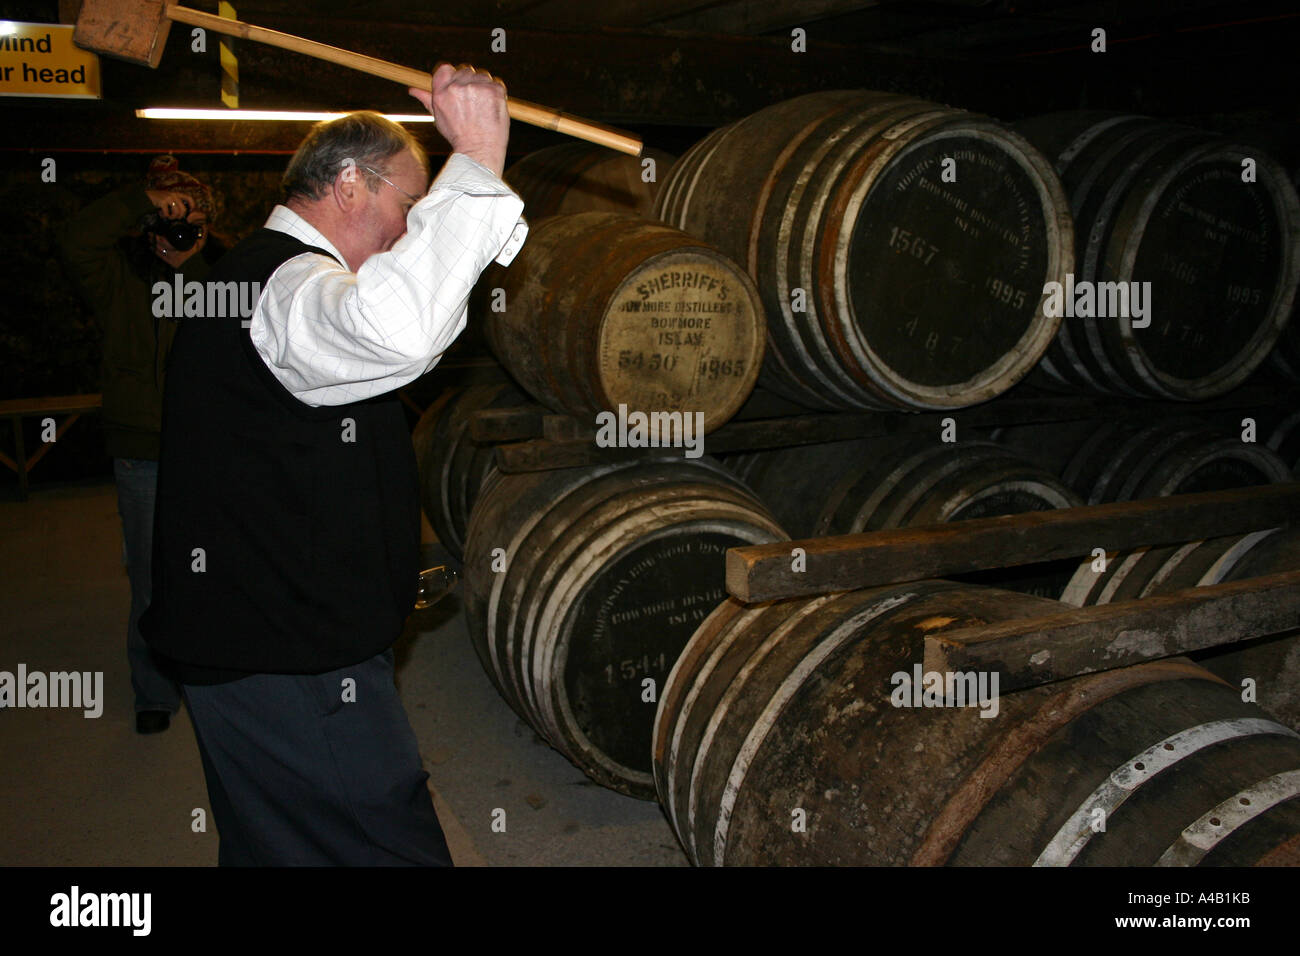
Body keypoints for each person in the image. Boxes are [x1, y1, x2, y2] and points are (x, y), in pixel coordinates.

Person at [139, 63, 525, 866]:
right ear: (349, 185)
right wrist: (479, 157)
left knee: (280, 849)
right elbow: (392, 329)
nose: (413, 229)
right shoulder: (287, 285)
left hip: (262, 646)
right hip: (288, 660)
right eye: (409, 206)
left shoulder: (267, 273)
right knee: (382, 845)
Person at [60, 155, 219, 735]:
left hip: (203, 456)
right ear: (150, 225)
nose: (182, 232)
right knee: (151, 577)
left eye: (194, 223)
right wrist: (141, 200)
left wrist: (190, 266)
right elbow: (77, 240)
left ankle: (212, 680)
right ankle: (152, 690)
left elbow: (225, 332)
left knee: (209, 571)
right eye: (172, 220)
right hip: (142, 457)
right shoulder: (117, 287)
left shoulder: (212, 282)